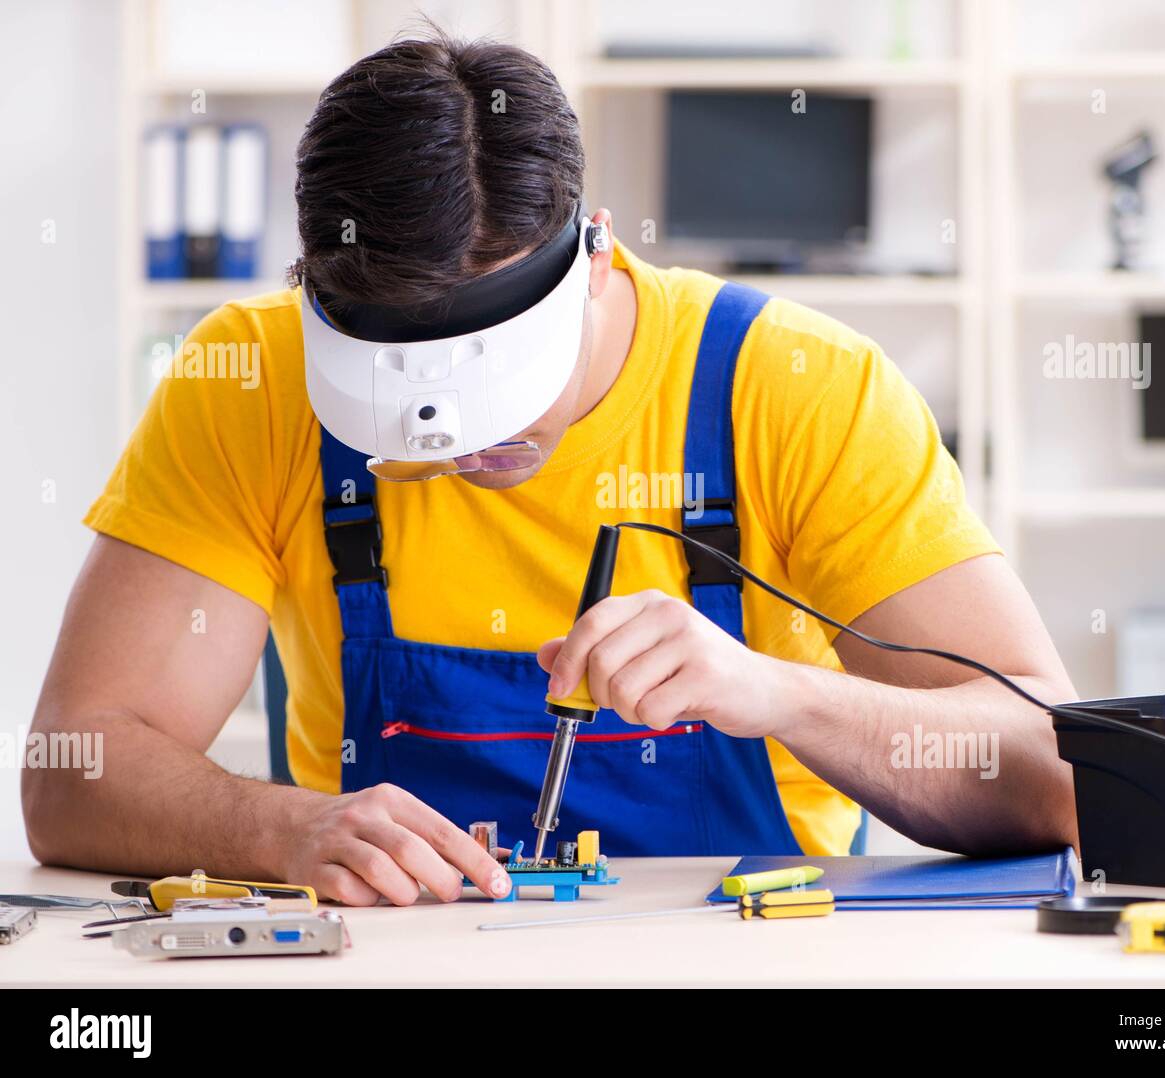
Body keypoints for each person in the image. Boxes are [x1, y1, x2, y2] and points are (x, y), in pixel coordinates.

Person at [23, 29, 1077, 906]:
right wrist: (276, 826)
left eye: (503, 413)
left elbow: (1052, 774)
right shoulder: (247, 379)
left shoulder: (799, 387)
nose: (469, 457)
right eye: (408, 435)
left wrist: (780, 694)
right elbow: (75, 770)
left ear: (599, 255)